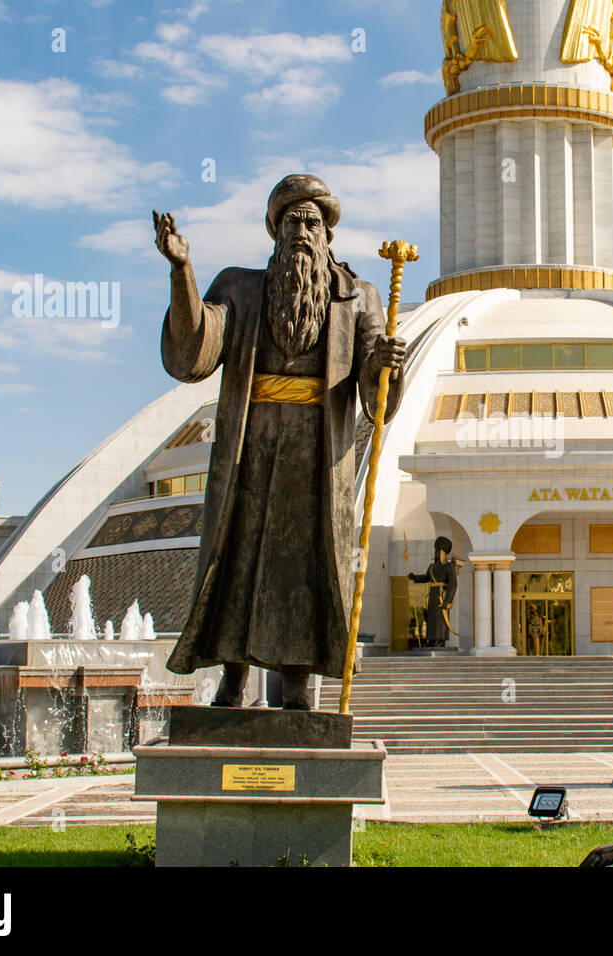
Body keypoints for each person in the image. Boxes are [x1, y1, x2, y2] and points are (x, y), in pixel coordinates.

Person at [154, 174, 406, 709]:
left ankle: (297, 686)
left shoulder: (358, 296)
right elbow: (196, 351)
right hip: (251, 445)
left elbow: (375, 397)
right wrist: (183, 272)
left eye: (312, 221)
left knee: (305, 566)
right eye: (291, 220)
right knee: (236, 555)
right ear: (275, 230)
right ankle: (232, 678)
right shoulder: (240, 288)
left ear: (327, 235)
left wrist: (384, 367)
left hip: (316, 455)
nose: (301, 230)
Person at [408, 537, 459, 647]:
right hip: (432, 596)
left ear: (443, 552)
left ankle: (439, 640)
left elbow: (453, 583)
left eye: (438, 550)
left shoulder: (448, 566)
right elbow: (426, 577)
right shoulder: (432, 567)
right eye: (435, 550)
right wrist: (414, 578)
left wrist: (447, 600)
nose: (436, 552)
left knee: (440, 618)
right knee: (431, 618)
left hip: (441, 596)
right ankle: (431, 639)